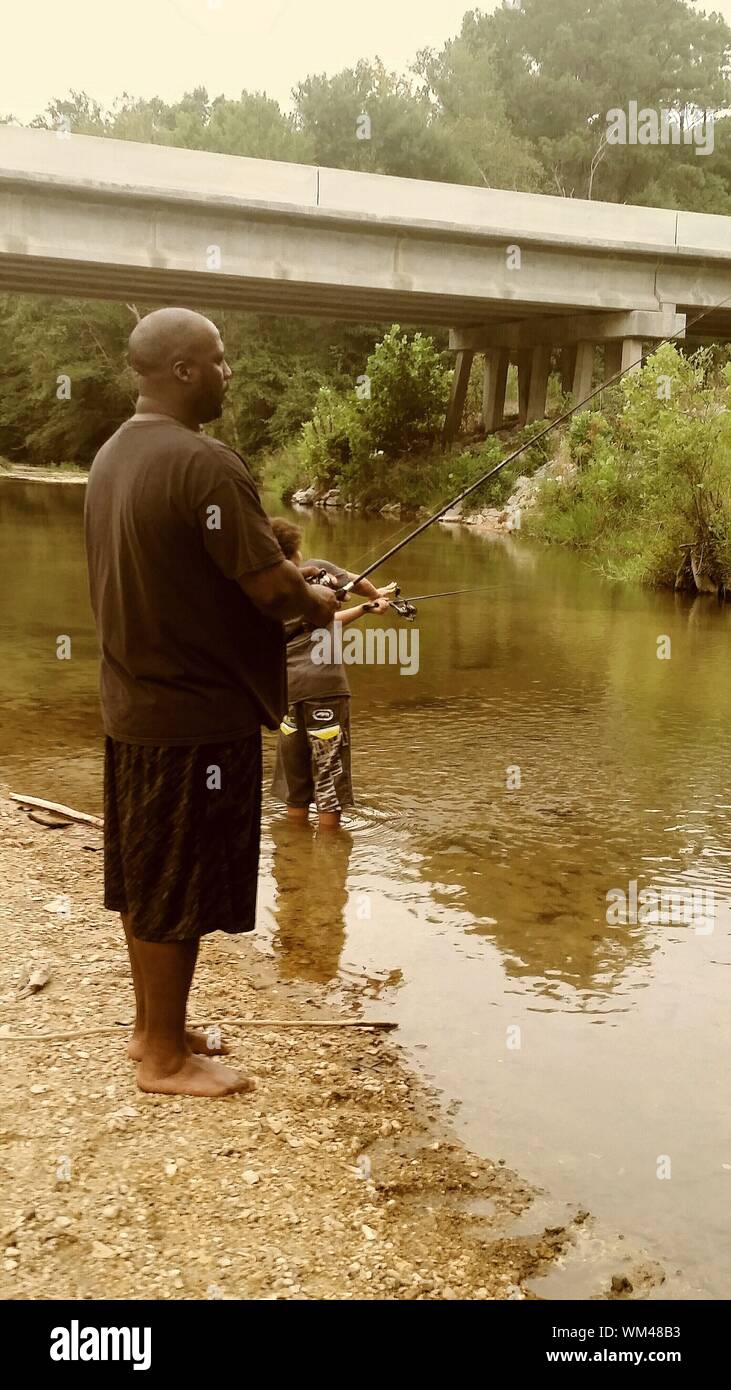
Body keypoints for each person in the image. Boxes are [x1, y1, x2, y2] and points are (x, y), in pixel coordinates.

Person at [84, 307, 337, 1099]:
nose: (231, 373)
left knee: (146, 874)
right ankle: (164, 1059)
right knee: (178, 881)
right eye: (220, 361)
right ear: (183, 370)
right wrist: (317, 602)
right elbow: (270, 592)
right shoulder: (207, 465)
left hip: (133, 705)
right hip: (193, 717)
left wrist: (294, 589)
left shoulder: (112, 456)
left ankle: (151, 1029)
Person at [268, 517, 392, 829]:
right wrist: (372, 601)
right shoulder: (313, 576)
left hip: (287, 695)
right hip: (325, 690)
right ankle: (330, 863)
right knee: (328, 781)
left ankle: (294, 854)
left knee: (295, 786)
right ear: (295, 553)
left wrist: (364, 608)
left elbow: (321, 620)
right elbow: (347, 596)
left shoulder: (260, 592)